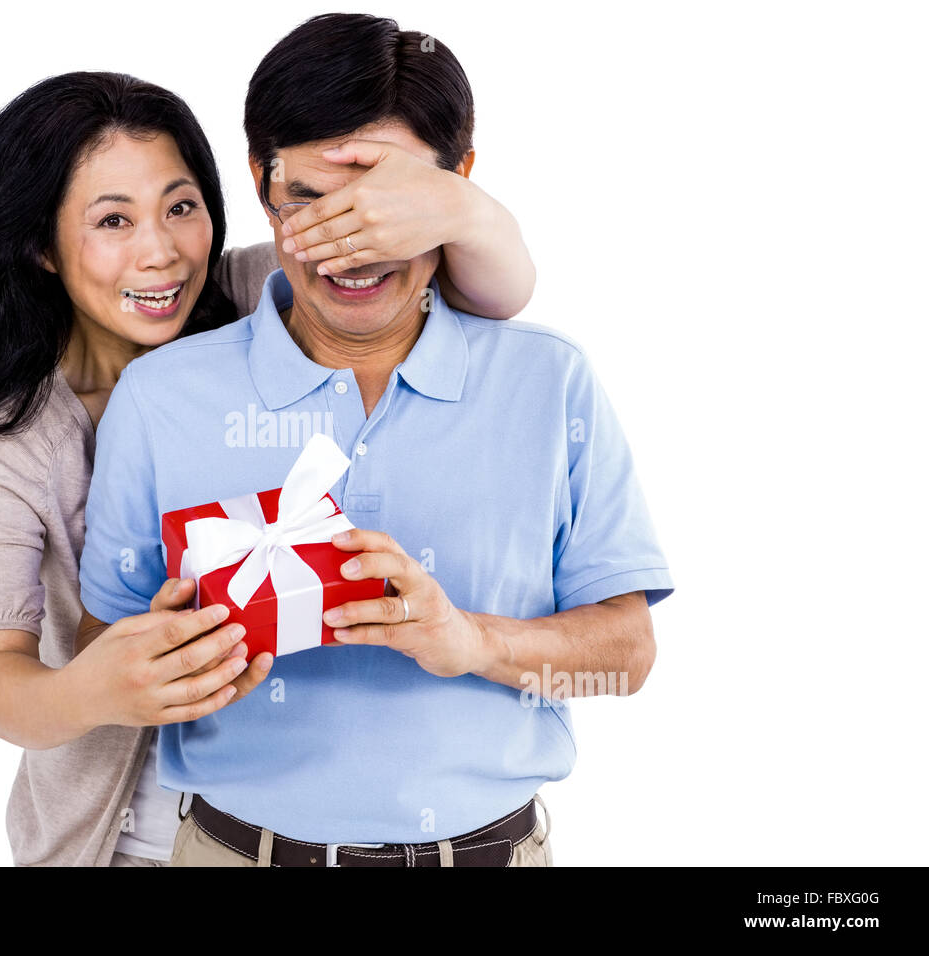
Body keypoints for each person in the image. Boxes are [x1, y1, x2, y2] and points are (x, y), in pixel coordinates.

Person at [0, 69, 539, 866]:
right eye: (113, 220)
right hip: (125, 837)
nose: (160, 254)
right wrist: (96, 686)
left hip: (303, 819)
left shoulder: (250, 291)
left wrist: (457, 202)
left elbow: (488, 288)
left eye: (181, 207)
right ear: (40, 245)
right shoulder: (10, 445)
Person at [76, 13, 674, 867]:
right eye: (311, 201)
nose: (347, 248)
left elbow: (626, 659)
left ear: (458, 185)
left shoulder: (550, 383)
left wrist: (471, 642)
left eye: (383, 207)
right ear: (260, 183)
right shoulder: (162, 395)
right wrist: (174, 659)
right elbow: (104, 650)